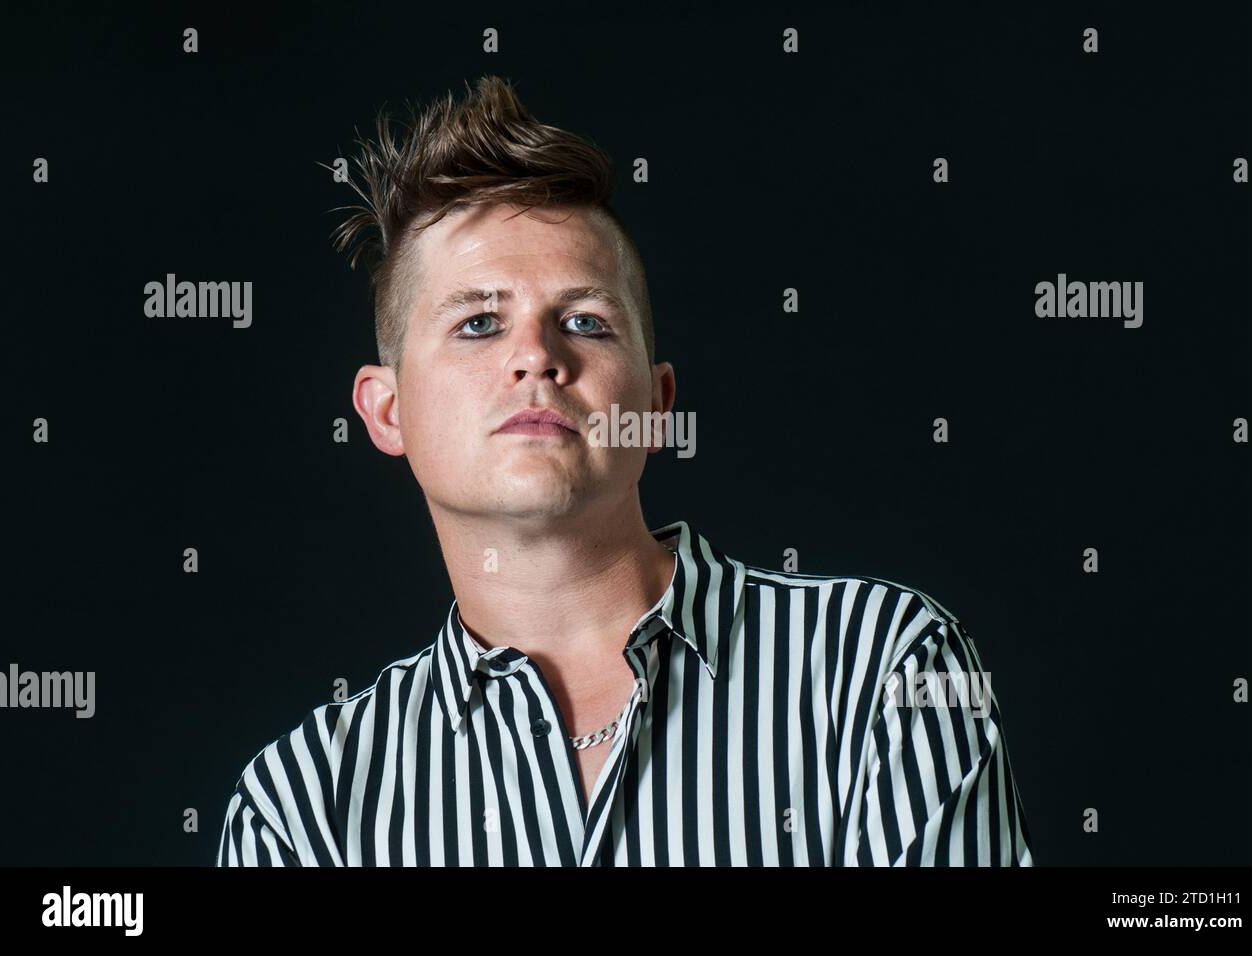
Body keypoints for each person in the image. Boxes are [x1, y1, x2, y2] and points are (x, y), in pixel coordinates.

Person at [217, 75, 1033, 866]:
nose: (536, 356)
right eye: (477, 323)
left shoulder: (880, 670)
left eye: (584, 320)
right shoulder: (303, 807)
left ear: (657, 402)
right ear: (386, 410)